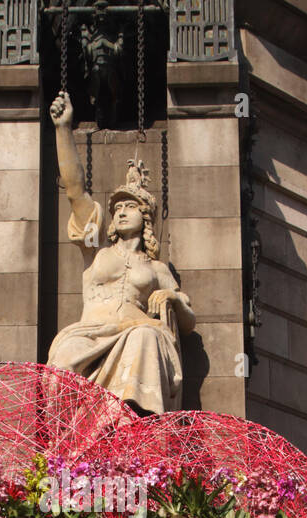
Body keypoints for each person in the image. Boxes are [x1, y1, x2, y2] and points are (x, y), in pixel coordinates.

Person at [46, 90, 195, 414]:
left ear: (147, 217)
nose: (122, 212)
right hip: (90, 335)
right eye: (118, 207)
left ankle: (135, 434)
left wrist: (170, 298)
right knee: (66, 354)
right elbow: (75, 191)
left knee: (147, 337)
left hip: (136, 333)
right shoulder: (96, 250)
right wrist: (62, 130)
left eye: (131, 206)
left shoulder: (156, 268)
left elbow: (187, 320)